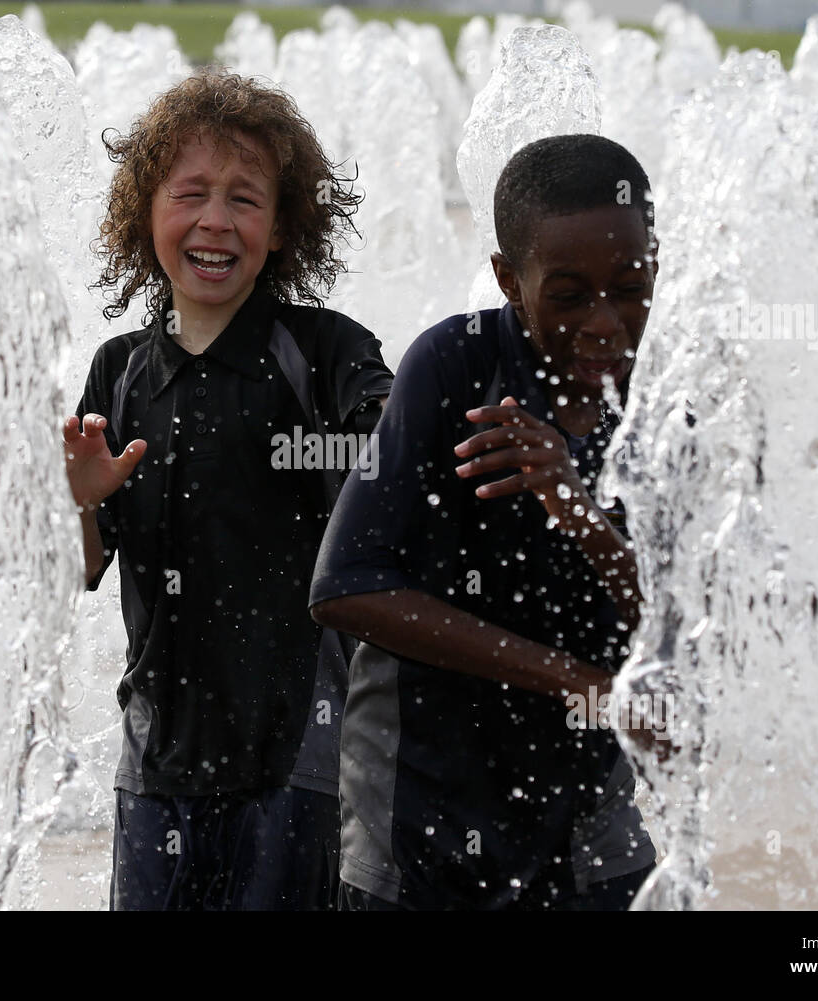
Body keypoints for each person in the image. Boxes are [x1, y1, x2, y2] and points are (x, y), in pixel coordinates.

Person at [61, 69, 392, 910]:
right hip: (157, 749)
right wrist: (82, 502)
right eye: (191, 194)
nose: (215, 220)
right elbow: (81, 568)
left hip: (300, 750)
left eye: (245, 199)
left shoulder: (319, 350)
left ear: (282, 227)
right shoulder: (119, 370)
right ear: (146, 212)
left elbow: (391, 440)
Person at [310, 134, 663, 910]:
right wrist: (572, 678)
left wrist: (583, 516)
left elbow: (682, 630)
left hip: (588, 805)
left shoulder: (668, 403)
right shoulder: (454, 369)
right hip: (422, 802)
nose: (605, 323)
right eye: (568, 295)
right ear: (508, 278)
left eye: (630, 287)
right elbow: (345, 586)